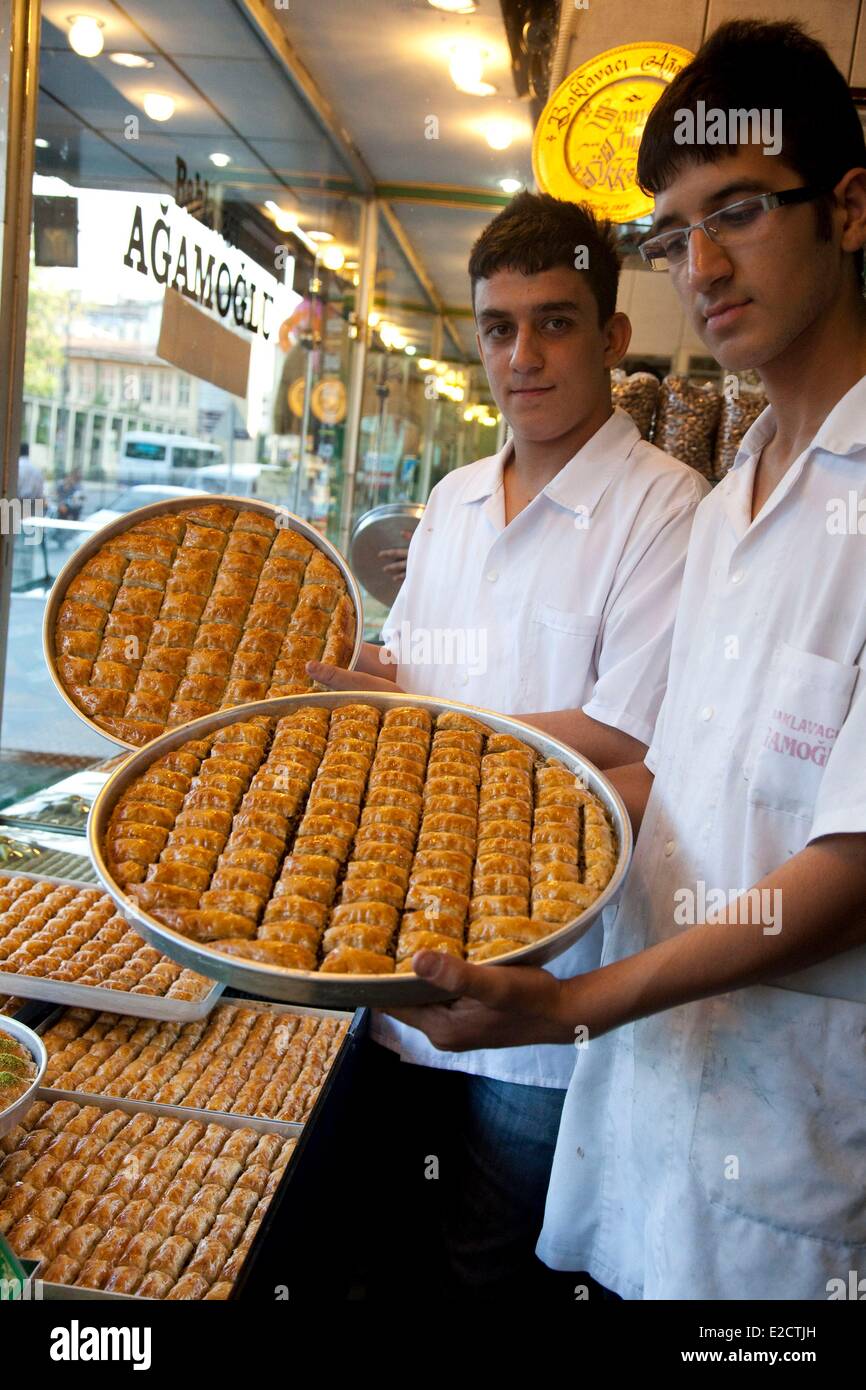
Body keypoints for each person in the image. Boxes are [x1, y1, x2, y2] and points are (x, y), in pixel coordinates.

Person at [388, 18, 866, 1301]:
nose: (700, 266)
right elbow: (672, 784)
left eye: (740, 213)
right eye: (674, 234)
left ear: (849, 209)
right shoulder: (729, 513)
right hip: (640, 1116)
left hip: (792, 1181)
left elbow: (847, 864)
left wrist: (573, 999)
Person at [309, 192, 708, 1295]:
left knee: (486, 1274)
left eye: (555, 321)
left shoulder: (665, 510)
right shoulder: (449, 499)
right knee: (382, 1254)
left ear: (612, 336)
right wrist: (356, 688)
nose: (521, 355)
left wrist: (415, 728)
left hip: (536, 997)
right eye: (498, 327)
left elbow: (620, 733)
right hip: (390, 962)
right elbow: (416, 666)